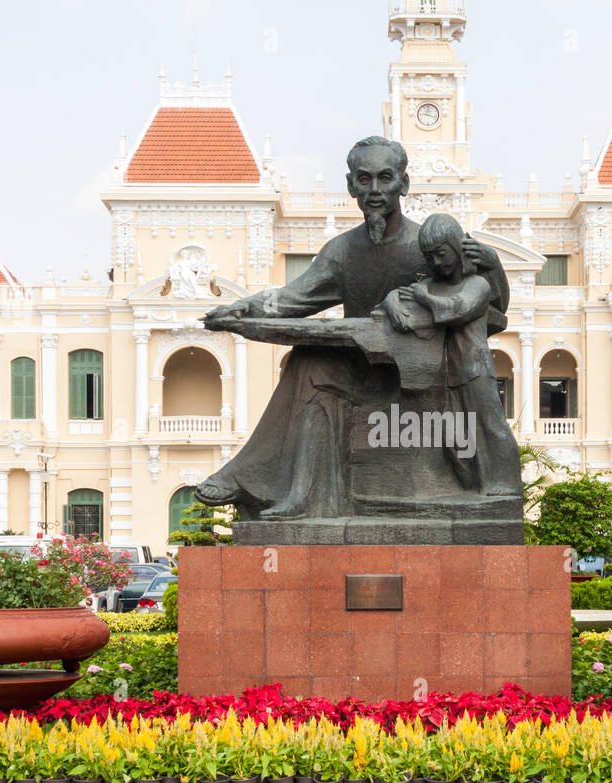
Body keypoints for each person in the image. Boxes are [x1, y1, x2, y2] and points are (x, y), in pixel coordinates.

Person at [194, 136, 509, 519]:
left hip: (421, 377)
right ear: (351, 186)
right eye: (364, 179)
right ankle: (298, 494)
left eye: (385, 178)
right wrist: (243, 308)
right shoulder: (342, 251)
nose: (374, 190)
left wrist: (492, 266)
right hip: (360, 369)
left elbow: (488, 308)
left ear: (403, 185)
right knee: (308, 362)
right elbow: (294, 297)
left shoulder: (428, 245)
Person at [381, 212, 519, 496]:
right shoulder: (433, 285)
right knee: (454, 437)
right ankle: (471, 485)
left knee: (490, 426)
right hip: (444, 372)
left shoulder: (477, 284)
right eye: (430, 257)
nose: (436, 263)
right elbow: (399, 294)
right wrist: (391, 302)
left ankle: (505, 485)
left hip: (474, 368)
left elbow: (456, 309)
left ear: (457, 248)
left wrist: (423, 298)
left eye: (441, 254)